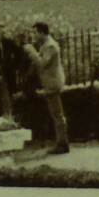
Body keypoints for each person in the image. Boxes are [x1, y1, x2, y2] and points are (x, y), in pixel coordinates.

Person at [25, 22, 69, 154]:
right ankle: (61, 143)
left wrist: (31, 51)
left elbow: (42, 63)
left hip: (53, 84)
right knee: (56, 114)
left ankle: (62, 144)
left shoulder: (50, 46)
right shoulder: (46, 44)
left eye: (35, 33)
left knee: (57, 115)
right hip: (51, 83)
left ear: (42, 33)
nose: (34, 35)